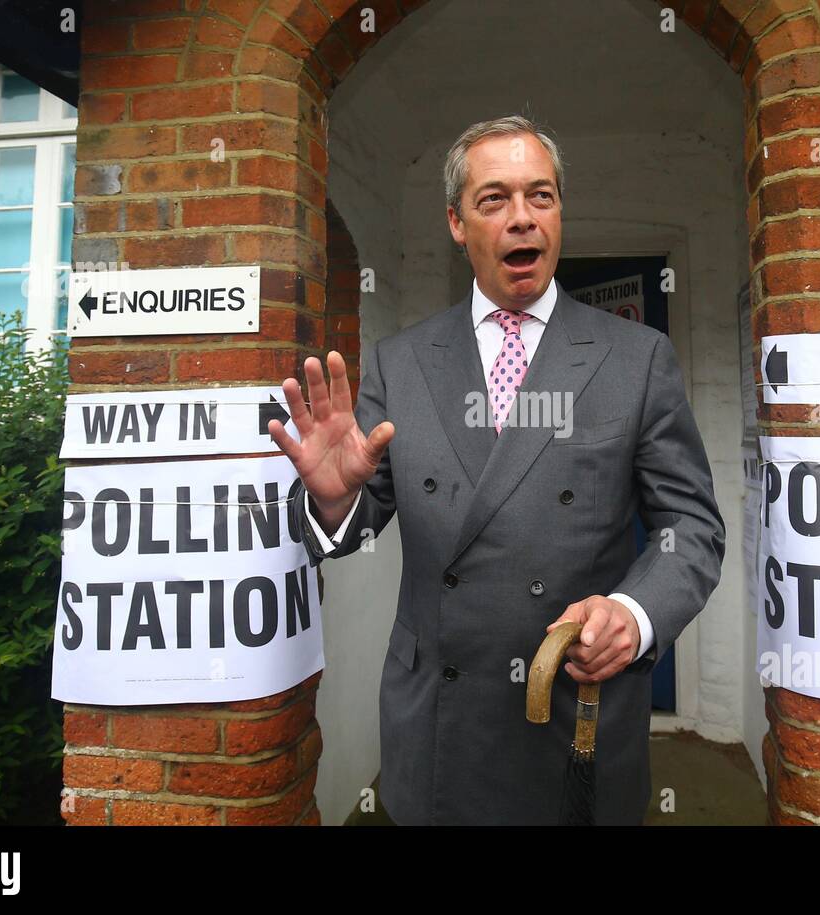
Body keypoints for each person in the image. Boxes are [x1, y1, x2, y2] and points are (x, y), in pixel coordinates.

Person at [269, 115, 725, 825]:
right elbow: (360, 522)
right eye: (495, 199)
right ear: (456, 221)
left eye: (540, 197)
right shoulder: (404, 362)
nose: (522, 218)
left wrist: (634, 615)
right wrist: (332, 504)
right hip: (440, 734)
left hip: (575, 719)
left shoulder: (636, 360)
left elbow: (692, 527)